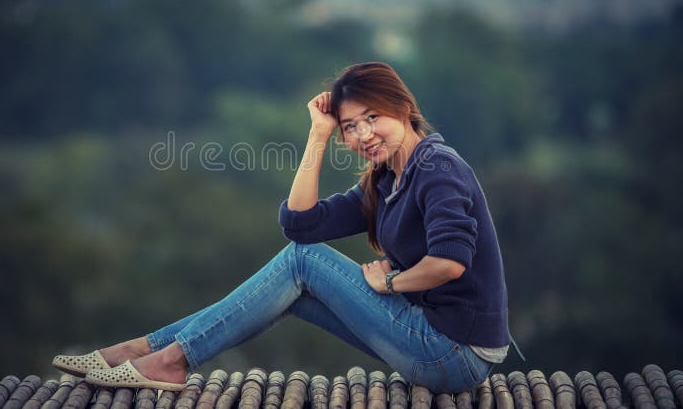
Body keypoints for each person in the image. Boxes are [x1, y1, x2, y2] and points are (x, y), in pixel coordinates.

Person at [53, 61, 517, 393]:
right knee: (293, 282)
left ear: (403, 108)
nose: (362, 135)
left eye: (372, 118)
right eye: (350, 127)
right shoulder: (388, 178)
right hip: (433, 341)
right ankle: (146, 348)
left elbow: (450, 262)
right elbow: (299, 223)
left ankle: (169, 360)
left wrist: (392, 282)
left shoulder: (437, 168)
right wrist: (317, 134)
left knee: (303, 264)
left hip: (453, 354)